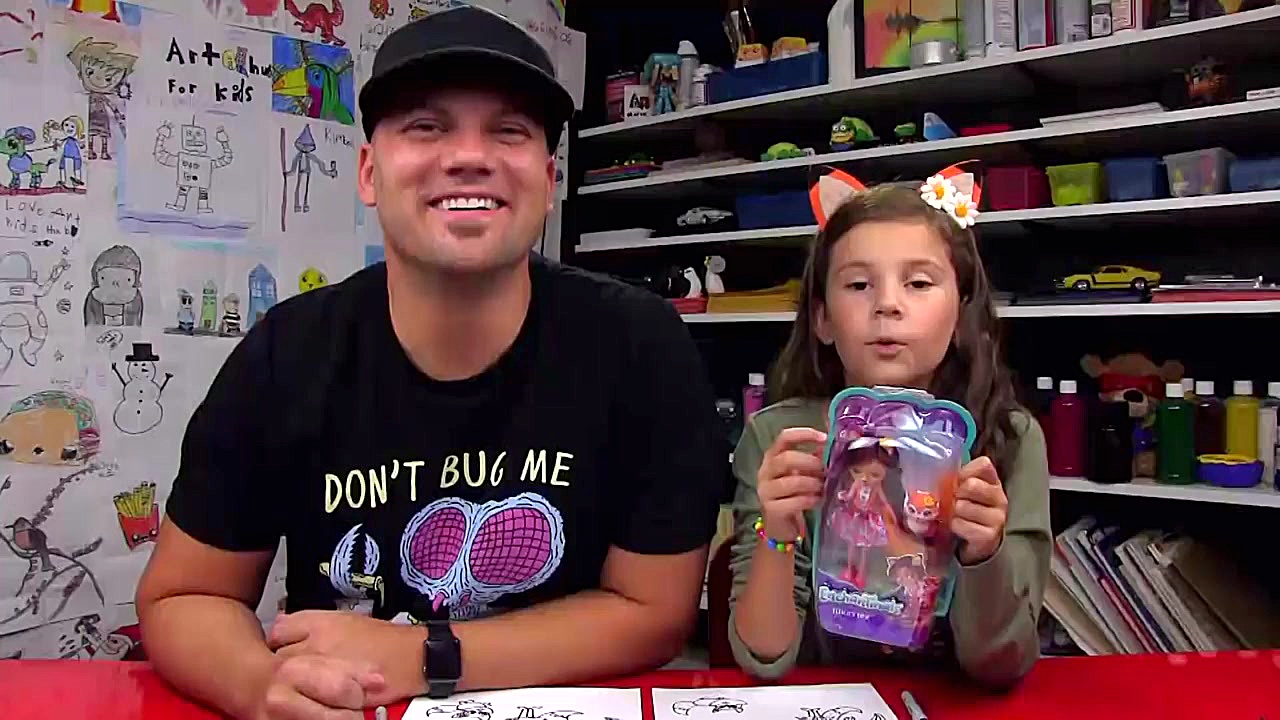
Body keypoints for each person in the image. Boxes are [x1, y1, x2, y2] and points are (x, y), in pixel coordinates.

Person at [136, 7, 725, 720]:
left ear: (548, 179)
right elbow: (184, 594)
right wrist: (258, 686)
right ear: (368, 172)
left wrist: (427, 656)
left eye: (509, 131)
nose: (469, 155)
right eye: (425, 126)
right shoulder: (285, 355)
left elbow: (654, 611)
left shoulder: (640, 345)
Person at [728, 170, 1051, 687]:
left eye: (918, 283)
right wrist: (778, 532)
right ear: (822, 319)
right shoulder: (781, 441)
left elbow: (1001, 665)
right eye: (858, 285)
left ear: (961, 311)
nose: (887, 304)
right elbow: (764, 655)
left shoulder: (1010, 440)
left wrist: (984, 552)